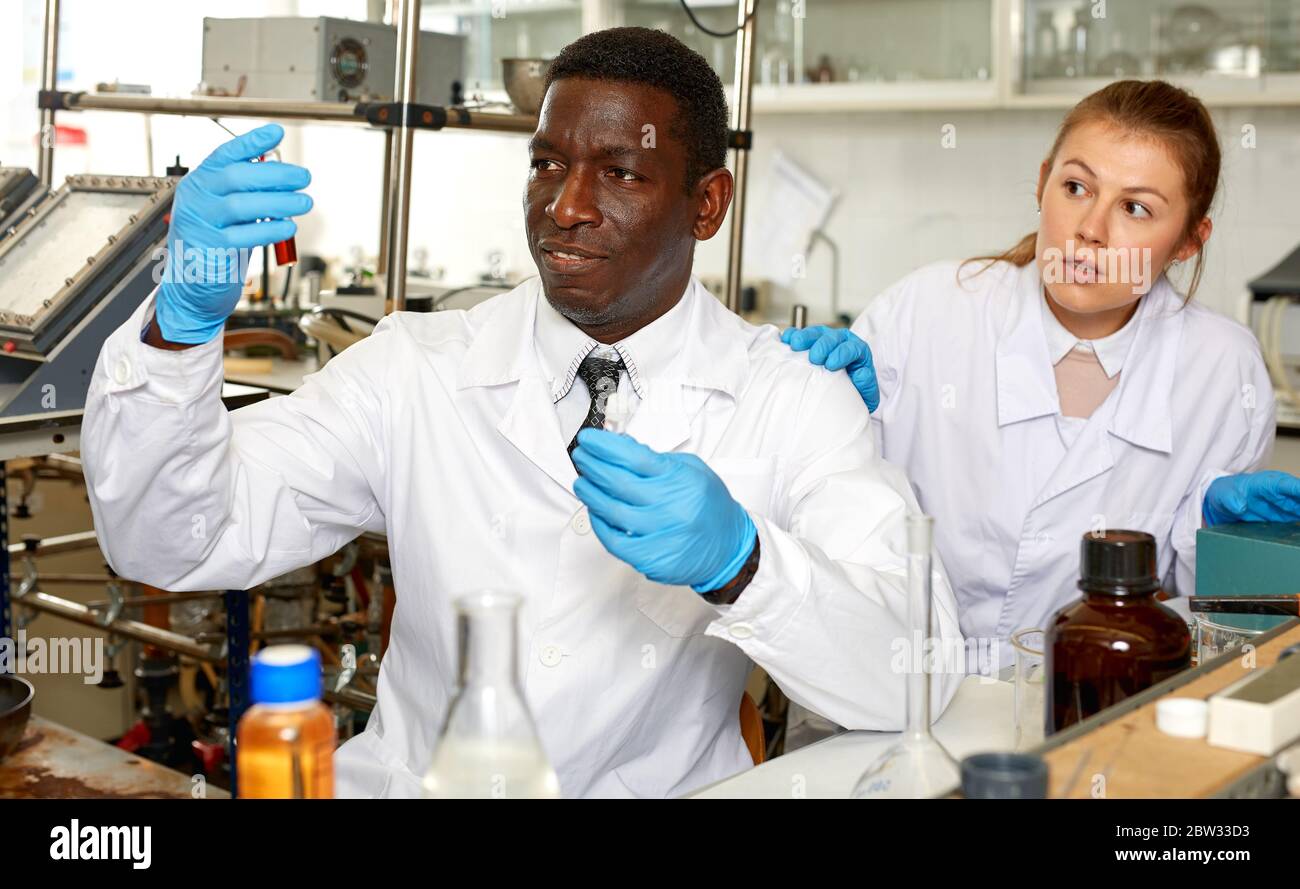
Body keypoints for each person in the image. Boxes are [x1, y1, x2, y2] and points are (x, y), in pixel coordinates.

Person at [81, 27, 963, 798]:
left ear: (707, 205)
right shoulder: (414, 367)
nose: (566, 208)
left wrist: (745, 564)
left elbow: (918, 673)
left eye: (620, 171)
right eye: (547, 164)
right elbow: (174, 541)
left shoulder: (790, 399)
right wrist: (175, 329)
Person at [782, 80, 1300, 673]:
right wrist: (810, 404)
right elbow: (821, 509)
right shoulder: (927, 312)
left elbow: (1189, 604)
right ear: (1041, 182)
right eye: (1076, 187)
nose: (1091, 230)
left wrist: (1215, 531)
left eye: (1135, 208)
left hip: (1096, 700)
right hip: (896, 688)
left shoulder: (1221, 368)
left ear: (1188, 241)